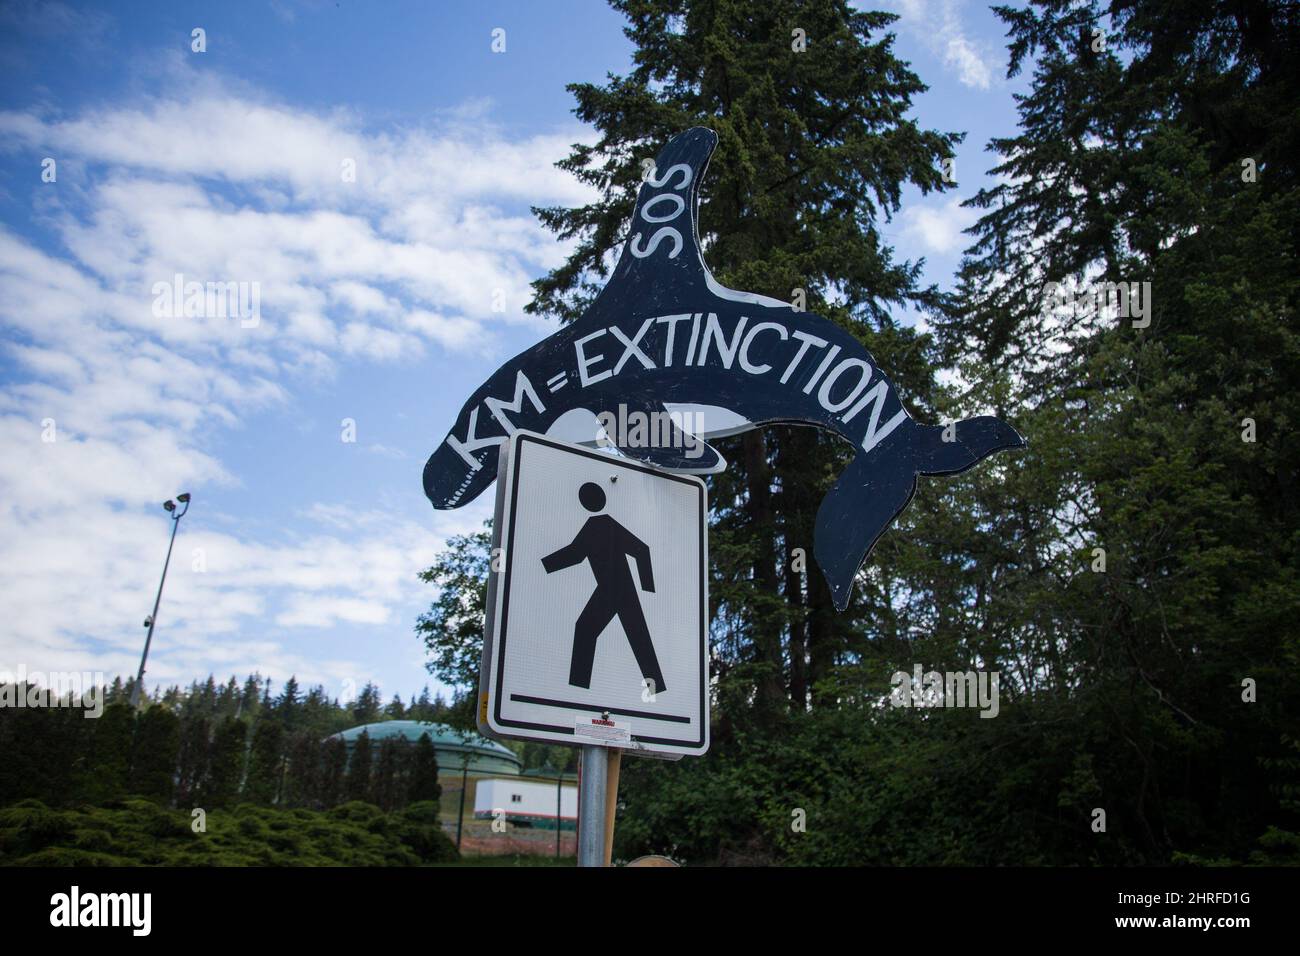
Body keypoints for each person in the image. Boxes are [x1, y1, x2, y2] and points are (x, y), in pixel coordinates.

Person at [541, 481, 667, 694]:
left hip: (619, 589)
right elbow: (576, 554)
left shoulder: (603, 524)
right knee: (624, 634)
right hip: (612, 589)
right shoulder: (595, 525)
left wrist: (649, 588)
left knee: (628, 635)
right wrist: (545, 564)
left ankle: (579, 687)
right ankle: (579, 688)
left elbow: (641, 550)